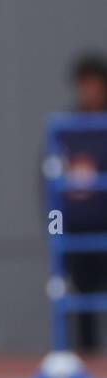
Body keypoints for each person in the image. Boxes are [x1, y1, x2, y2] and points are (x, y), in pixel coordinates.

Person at [61, 54, 107, 354]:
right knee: (82, 302)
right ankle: (88, 362)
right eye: (84, 85)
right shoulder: (66, 129)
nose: (89, 91)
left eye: (95, 84)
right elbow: (50, 184)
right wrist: (56, 229)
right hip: (78, 233)